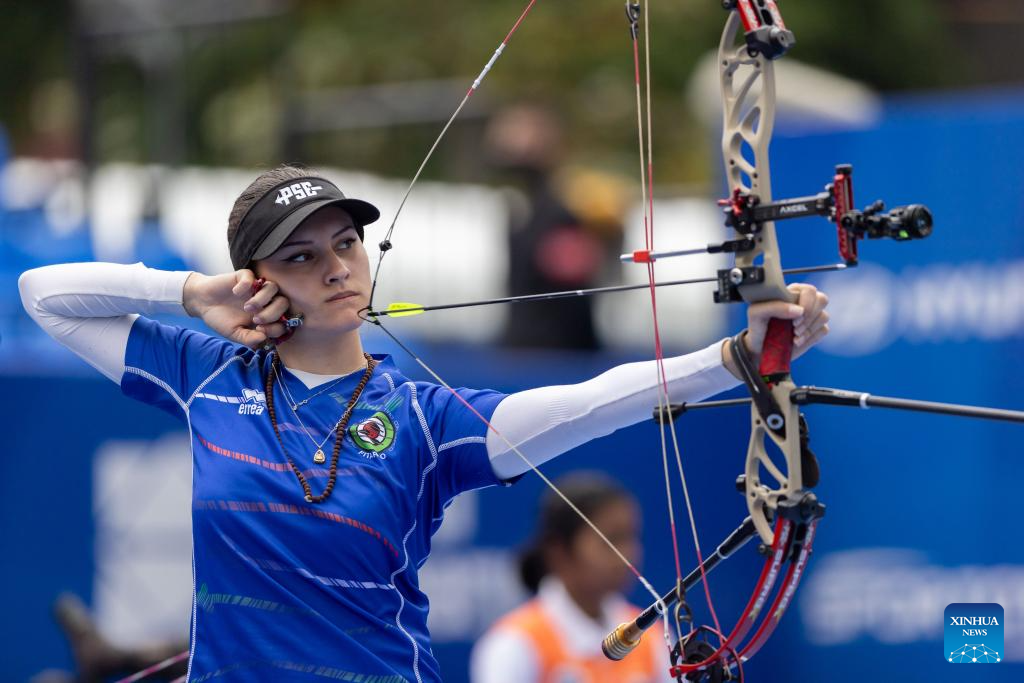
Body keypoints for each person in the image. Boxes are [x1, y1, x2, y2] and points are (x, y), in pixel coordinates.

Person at [18, 163, 830, 682]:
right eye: (300, 256)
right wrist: (193, 293)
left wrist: (732, 355)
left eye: (345, 243)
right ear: (255, 280)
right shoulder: (208, 373)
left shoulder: (423, 418)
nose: (336, 267)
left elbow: (590, 401)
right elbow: (43, 297)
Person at [471, 474, 667, 683]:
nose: (628, 554)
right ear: (559, 551)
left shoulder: (652, 637)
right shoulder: (514, 643)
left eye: (631, 537)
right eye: (611, 540)